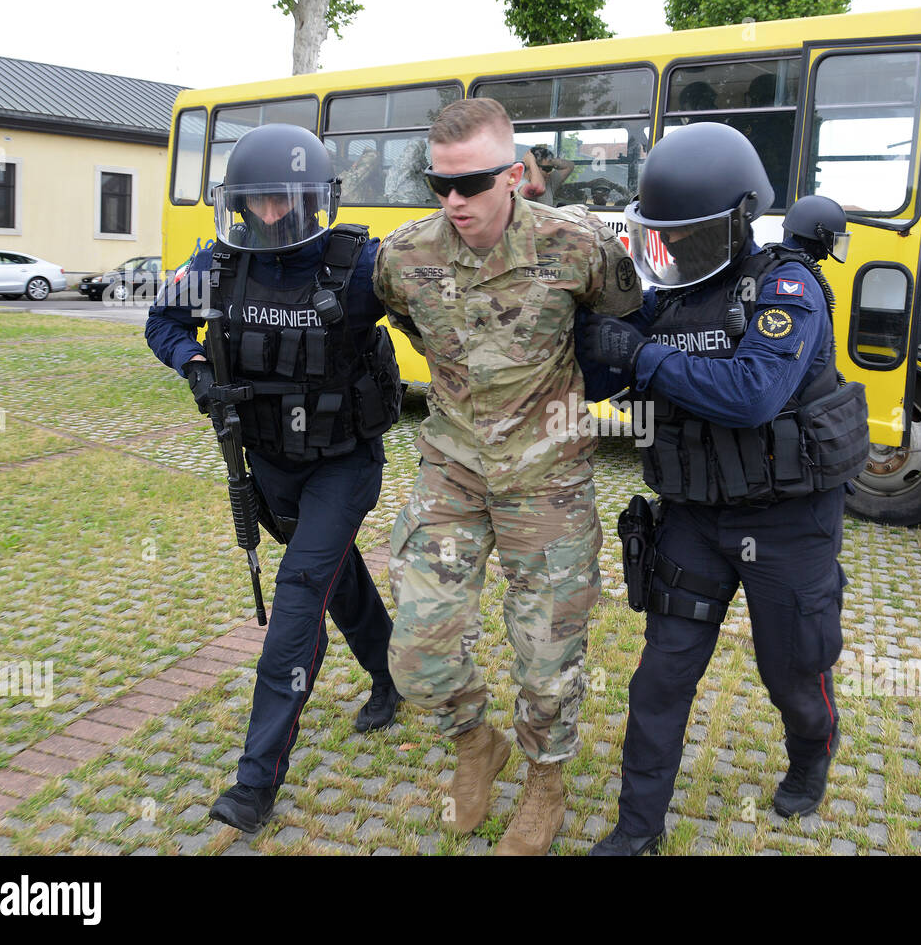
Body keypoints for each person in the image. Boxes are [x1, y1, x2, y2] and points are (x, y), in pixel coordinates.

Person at [576, 123, 869, 855]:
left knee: (793, 670)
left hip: (786, 520)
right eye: (665, 238)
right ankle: (638, 828)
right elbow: (603, 373)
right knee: (660, 680)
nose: (676, 252)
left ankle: (813, 749)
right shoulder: (664, 298)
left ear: (741, 221)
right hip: (693, 517)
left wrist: (643, 357)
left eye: (694, 236)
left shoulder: (786, 286)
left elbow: (752, 395)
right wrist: (589, 338)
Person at [372, 97, 642, 856]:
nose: (454, 201)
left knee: (548, 657)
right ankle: (473, 743)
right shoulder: (405, 257)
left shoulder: (577, 246)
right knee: (418, 653)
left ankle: (545, 784)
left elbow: (620, 320)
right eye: (439, 185)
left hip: (548, 477)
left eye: (473, 184)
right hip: (453, 468)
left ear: (516, 176)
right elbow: (405, 320)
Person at [145, 123, 404, 833]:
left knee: (298, 594)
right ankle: (390, 673)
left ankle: (255, 783)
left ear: (313, 200)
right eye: (256, 201)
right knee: (332, 572)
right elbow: (162, 321)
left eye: (282, 199)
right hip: (269, 463)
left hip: (344, 462)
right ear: (239, 203)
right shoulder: (218, 263)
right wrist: (194, 368)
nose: (269, 213)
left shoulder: (358, 265)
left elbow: (436, 325)